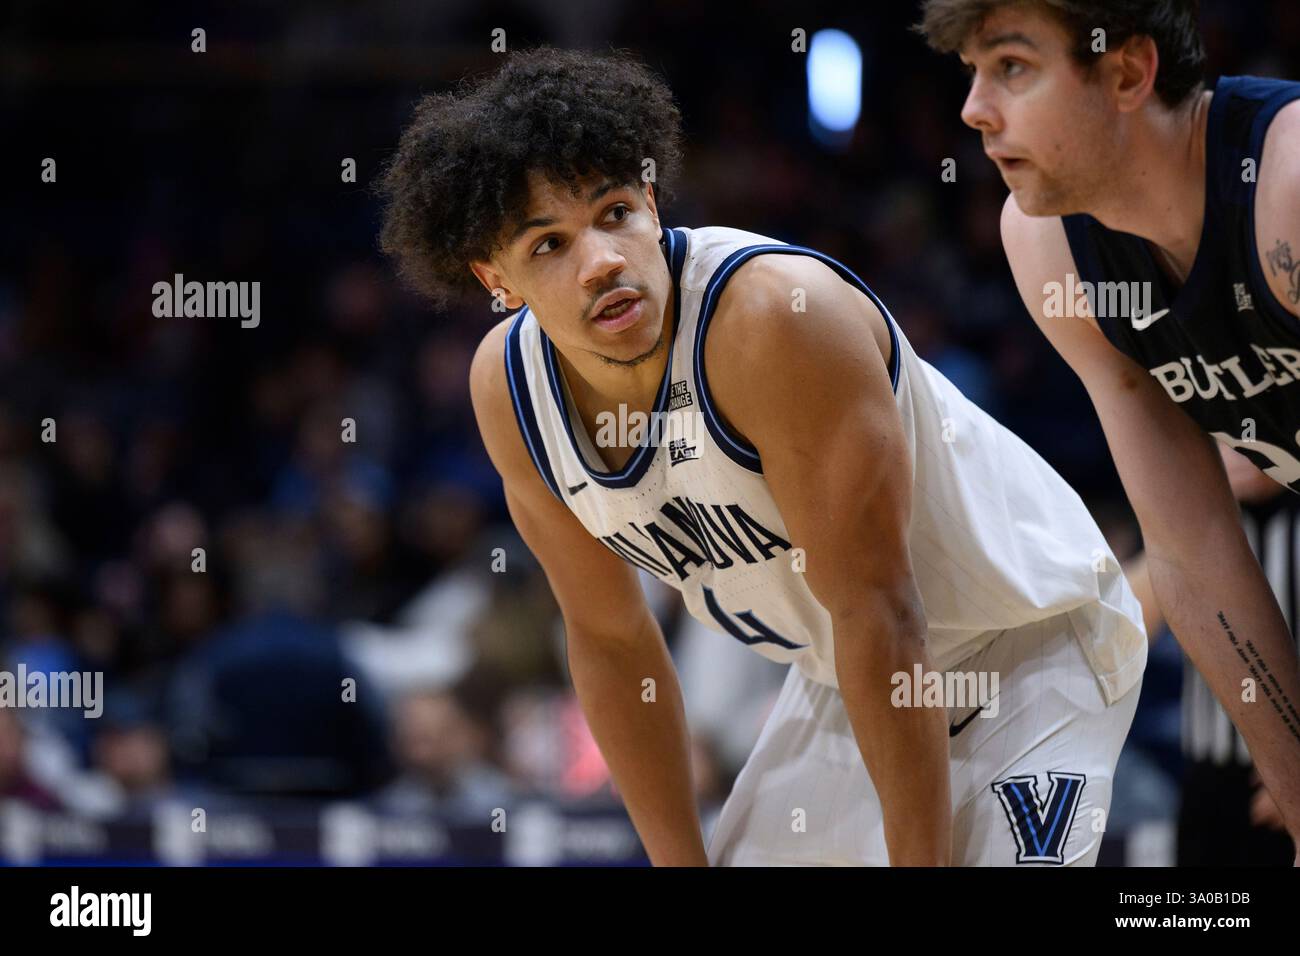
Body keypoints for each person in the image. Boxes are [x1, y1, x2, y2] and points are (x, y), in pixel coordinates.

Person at [376, 47, 1147, 866]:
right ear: (496, 278)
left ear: (650, 199)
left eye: (613, 214)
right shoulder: (510, 388)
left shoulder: (775, 322)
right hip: (843, 680)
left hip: (1023, 641)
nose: (601, 261)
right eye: (548, 246)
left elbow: (882, 616)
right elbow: (611, 642)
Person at [920, 0, 1300, 856]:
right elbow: (1193, 544)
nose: (974, 108)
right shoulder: (1049, 242)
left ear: (1127, 73)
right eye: (972, 74)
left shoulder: (1287, 187)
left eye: (1012, 68)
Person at [1125, 445, 1295, 865]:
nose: (1238, 452)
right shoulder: (1194, 524)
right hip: (1210, 775)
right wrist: (1190, 512)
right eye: (1223, 439)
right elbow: (1122, 627)